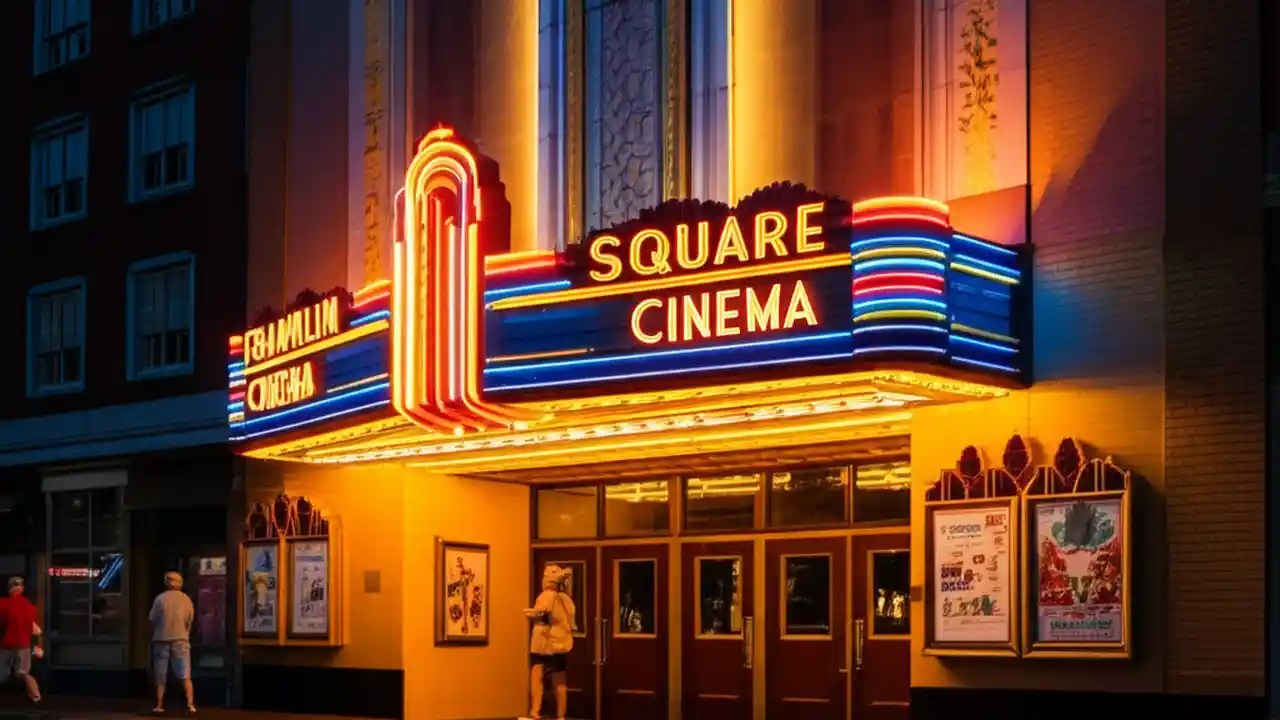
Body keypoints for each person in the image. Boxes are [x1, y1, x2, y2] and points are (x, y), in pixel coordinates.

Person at [520, 565, 575, 720]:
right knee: (559, 680)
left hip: (544, 642)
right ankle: (561, 715)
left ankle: (535, 712)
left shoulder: (547, 596)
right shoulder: (566, 599)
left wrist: (528, 613)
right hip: (562, 643)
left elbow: (539, 612)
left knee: (537, 674)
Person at [149, 571, 195, 715]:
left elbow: (152, 619)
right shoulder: (186, 599)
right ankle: (190, 704)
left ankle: (159, 705)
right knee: (184, 675)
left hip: (161, 640)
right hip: (181, 640)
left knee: (160, 675)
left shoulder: (159, 599)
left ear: (166, 582)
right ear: (180, 583)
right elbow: (190, 620)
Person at [0, 577, 42, 703]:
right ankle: (35, 696)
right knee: (24, 673)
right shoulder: (30, 606)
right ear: (22, 589)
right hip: (24, 645)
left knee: (2, 674)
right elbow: (36, 630)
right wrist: (38, 646)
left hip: (6, 645)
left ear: (9, 589)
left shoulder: (3, 604)